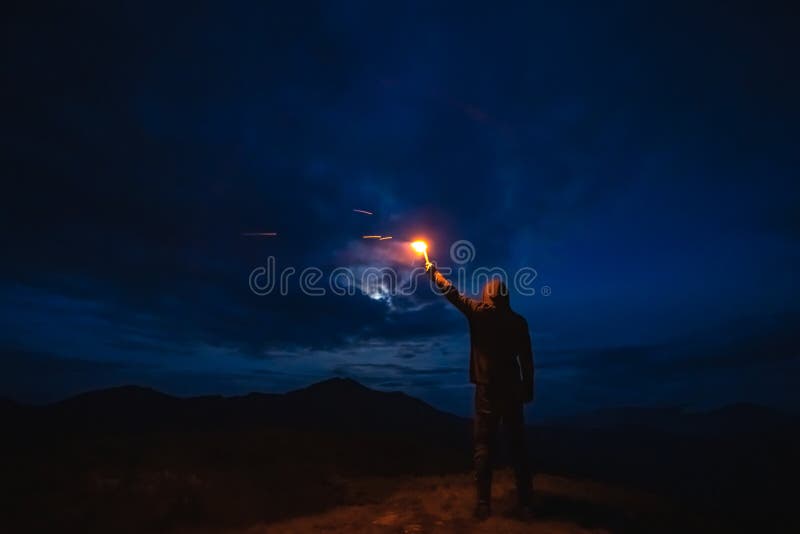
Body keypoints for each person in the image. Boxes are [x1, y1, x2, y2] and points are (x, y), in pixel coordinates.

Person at [427, 262, 534, 520]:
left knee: (484, 446)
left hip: (487, 391)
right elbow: (527, 360)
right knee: (517, 446)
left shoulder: (479, 312)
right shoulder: (518, 322)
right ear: (506, 296)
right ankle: (526, 503)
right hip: (512, 391)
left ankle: (483, 503)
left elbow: (453, 294)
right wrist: (528, 389)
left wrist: (434, 274)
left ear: (487, 294)